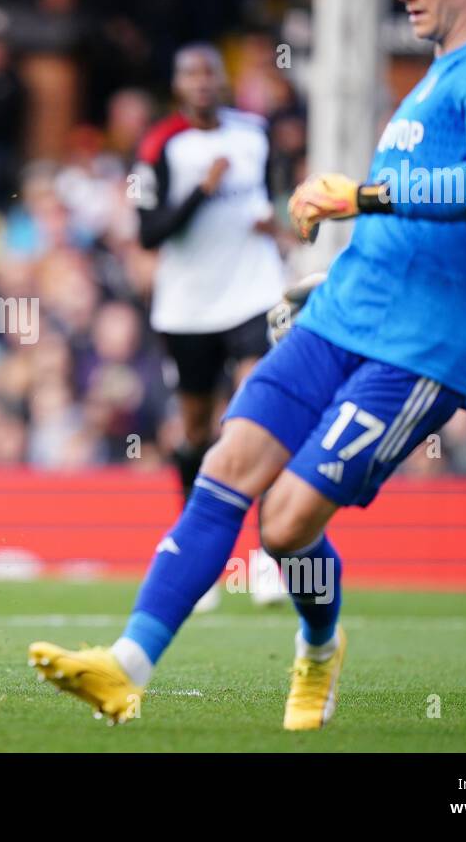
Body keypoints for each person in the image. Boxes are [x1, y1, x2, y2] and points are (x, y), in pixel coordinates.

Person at [30, 0, 466, 730]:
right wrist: (326, 277)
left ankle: (318, 646)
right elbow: (405, 234)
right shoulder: (429, 82)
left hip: (416, 350)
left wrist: (363, 193)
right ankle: (125, 664)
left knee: (284, 525)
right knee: (224, 465)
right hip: (339, 319)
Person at [132, 42, 287, 610]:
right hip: (190, 306)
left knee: (259, 411)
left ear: (223, 81)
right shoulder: (159, 146)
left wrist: (282, 226)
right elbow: (148, 232)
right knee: (197, 429)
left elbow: (267, 199)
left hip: (255, 292)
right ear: (177, 86)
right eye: (190, 74)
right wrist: (202, 190)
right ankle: (195, 556)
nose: (201, 82)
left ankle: (271, 554)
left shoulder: (255, 133)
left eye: (209, 73)